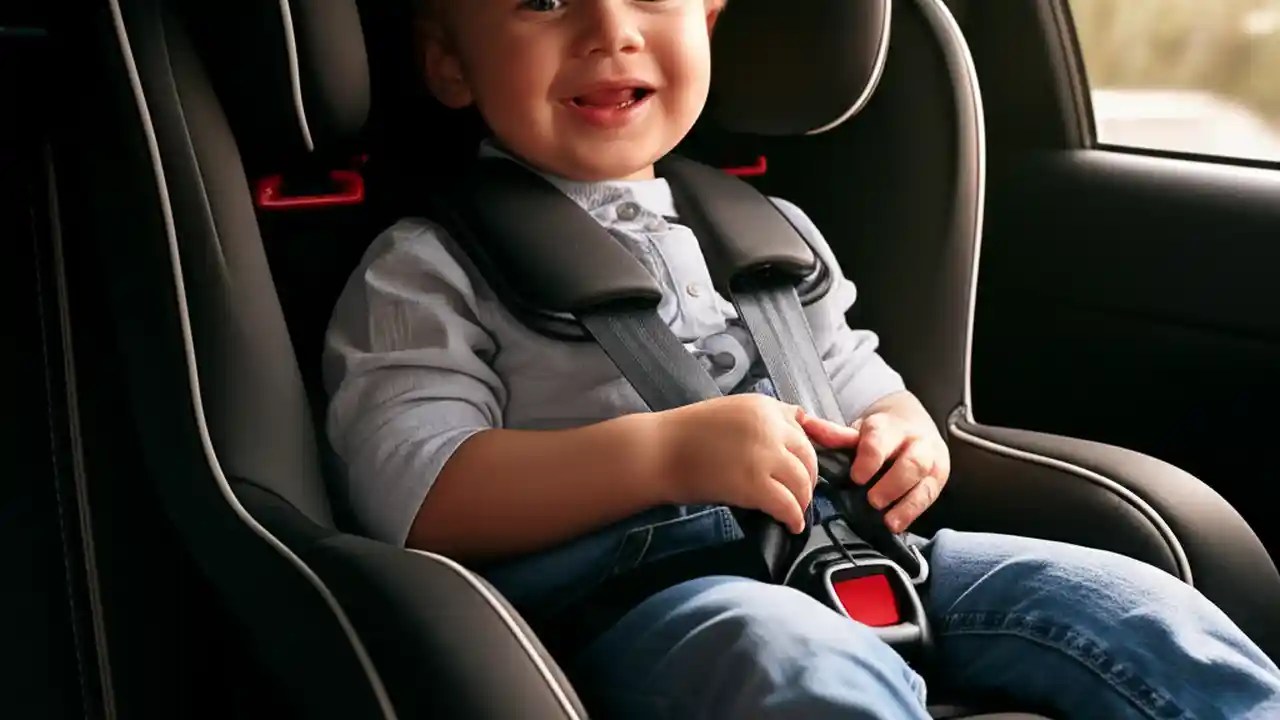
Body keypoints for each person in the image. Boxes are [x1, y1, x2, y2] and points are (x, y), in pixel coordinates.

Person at [322, 0, 1280, 717]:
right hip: (643, 606)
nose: (608, 30)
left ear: (708, 15)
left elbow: (866, 384)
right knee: (796, 665)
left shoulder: (768, 233)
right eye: (541, 0)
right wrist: (665, 457)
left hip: (872, 553)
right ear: (450, 60)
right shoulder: (427, 266)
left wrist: (907, 441)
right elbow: (414, 494)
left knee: (1132, 606)